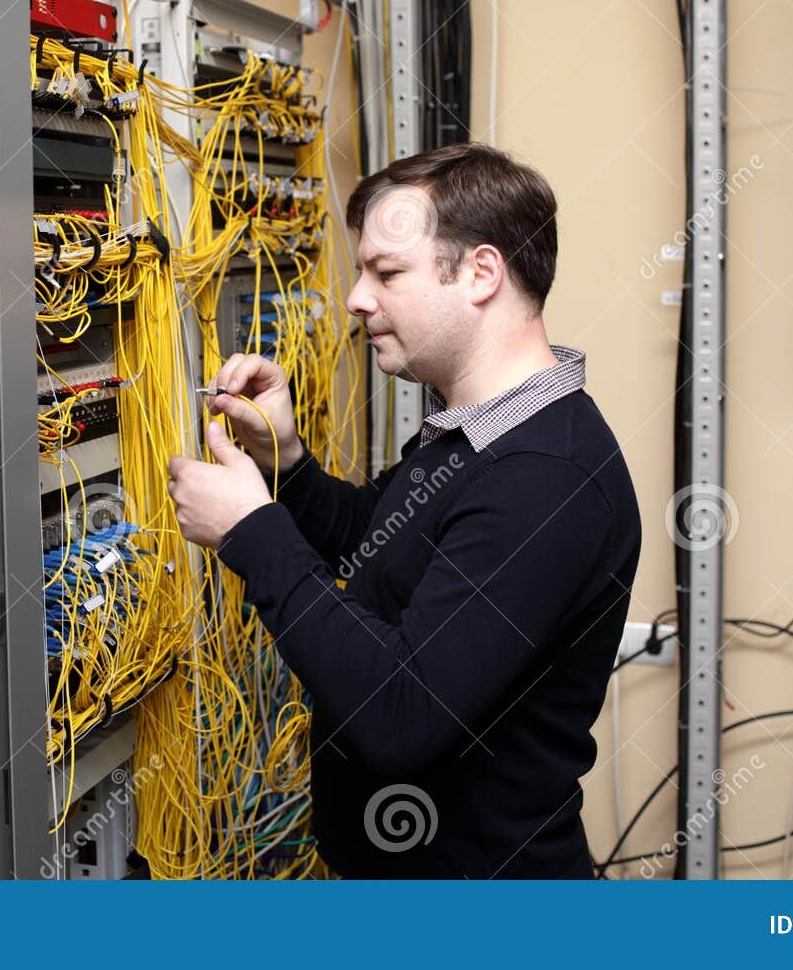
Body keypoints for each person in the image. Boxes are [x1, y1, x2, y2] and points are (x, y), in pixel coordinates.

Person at [166, 142, 641, 878]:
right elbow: (380, 546)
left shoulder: (546, 477)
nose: (357, 297)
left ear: (482, 272)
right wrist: (286, 462)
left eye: (386, 272)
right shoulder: (482, 430)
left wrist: (251, 532)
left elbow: (403, 713)